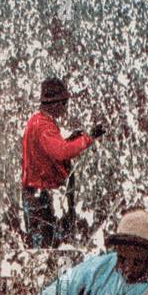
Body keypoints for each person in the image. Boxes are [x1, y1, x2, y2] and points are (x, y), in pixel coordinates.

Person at [21, 77, 105, 247]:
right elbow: (61, 152)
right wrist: (89, 139)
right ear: (55, 103)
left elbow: (52, 150)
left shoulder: (38, 122)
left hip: (38, 193)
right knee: (46, 249)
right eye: (64, 103)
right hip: (40, 197)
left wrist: (70, 140)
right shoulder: (43, 125)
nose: (65, 108)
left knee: (46, 245)